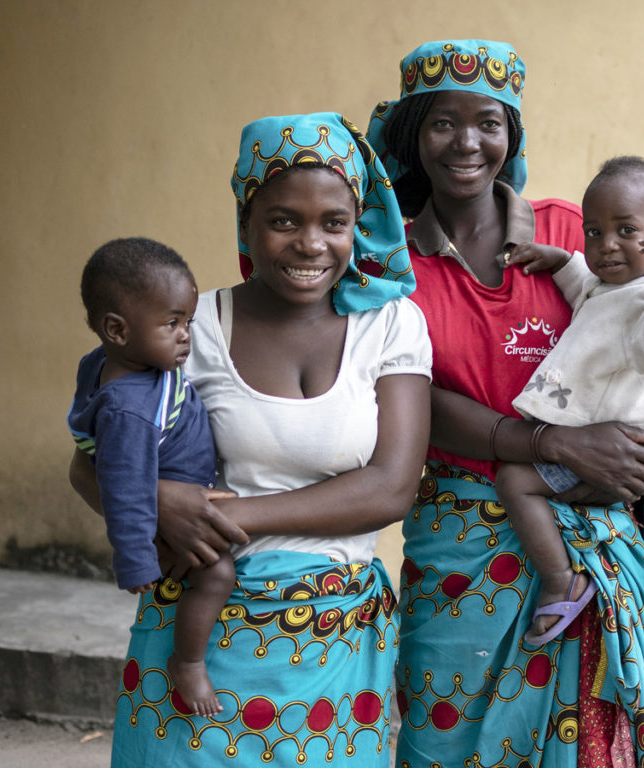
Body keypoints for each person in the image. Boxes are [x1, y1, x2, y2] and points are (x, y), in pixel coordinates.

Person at [69, 113, 432, 766]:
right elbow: (88, 463)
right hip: (197, 637)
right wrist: (158, 499)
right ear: (245, 223)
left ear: (359, 225)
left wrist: (218, 513)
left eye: (334, 222)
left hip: (335, 646)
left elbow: (390, 486)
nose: (310, 244)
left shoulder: (391, 324)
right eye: (283, 220)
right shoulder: (189, 327)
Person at [367, 40, 644, 767]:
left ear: (513, 134)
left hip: (586, 519)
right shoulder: (389, 267)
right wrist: (551, 444)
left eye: (489, 121)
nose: (467, 142)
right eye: (443, 122)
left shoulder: (580, 232)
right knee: (443, 731)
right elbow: (405, 399)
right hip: (456, 540)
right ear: (413, 134)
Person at [494, 156, 644, 646]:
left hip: (634, 451)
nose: (606, 245)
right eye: (593, 232)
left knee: (515, 482)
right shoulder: (618, 286)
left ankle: (560, 580)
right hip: (624, 446)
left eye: (627, 230)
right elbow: (588, 293)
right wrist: (560, 259)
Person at [67, 237, 235, 717]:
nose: (186, 335)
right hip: (175, 513)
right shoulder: (130, 410)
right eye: (171, 323)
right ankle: (189, 663)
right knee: (217, 574)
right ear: (117, 330)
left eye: (188, 321)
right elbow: (126, 491)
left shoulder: (114, 363)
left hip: (176, 482)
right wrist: (137, 559)